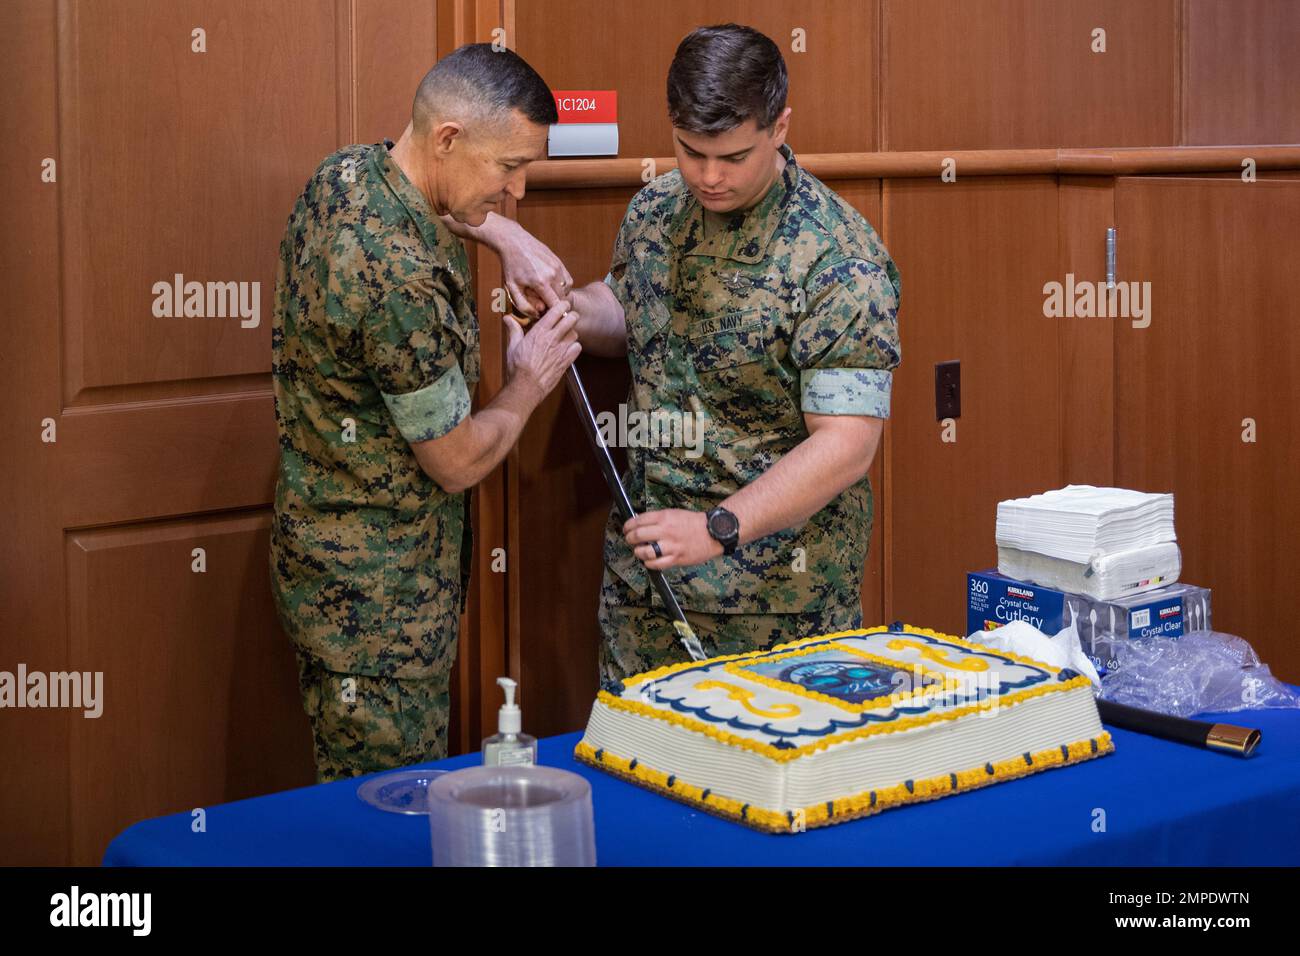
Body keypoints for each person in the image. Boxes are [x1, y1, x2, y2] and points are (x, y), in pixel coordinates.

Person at [271, 44, 577, 781]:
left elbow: (419, 200)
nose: (520, 191)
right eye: (509, 169)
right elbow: (458, 460)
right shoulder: (400, 284)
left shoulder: (344, 173)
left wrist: (501, 232)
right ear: (448, 138)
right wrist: (528, 382)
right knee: (384, 818)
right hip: (378, 616)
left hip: (329, 570)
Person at [566, 24, 903, 682]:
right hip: (648, 592)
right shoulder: (656, 210)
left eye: (733, 157)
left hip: (777, 605)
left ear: (780, 126)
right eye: (691, 152)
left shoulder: (837, 256)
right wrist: (572, 313)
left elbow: (847, 444)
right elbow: (628, 313)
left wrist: (717, 528)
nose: (710, 177)